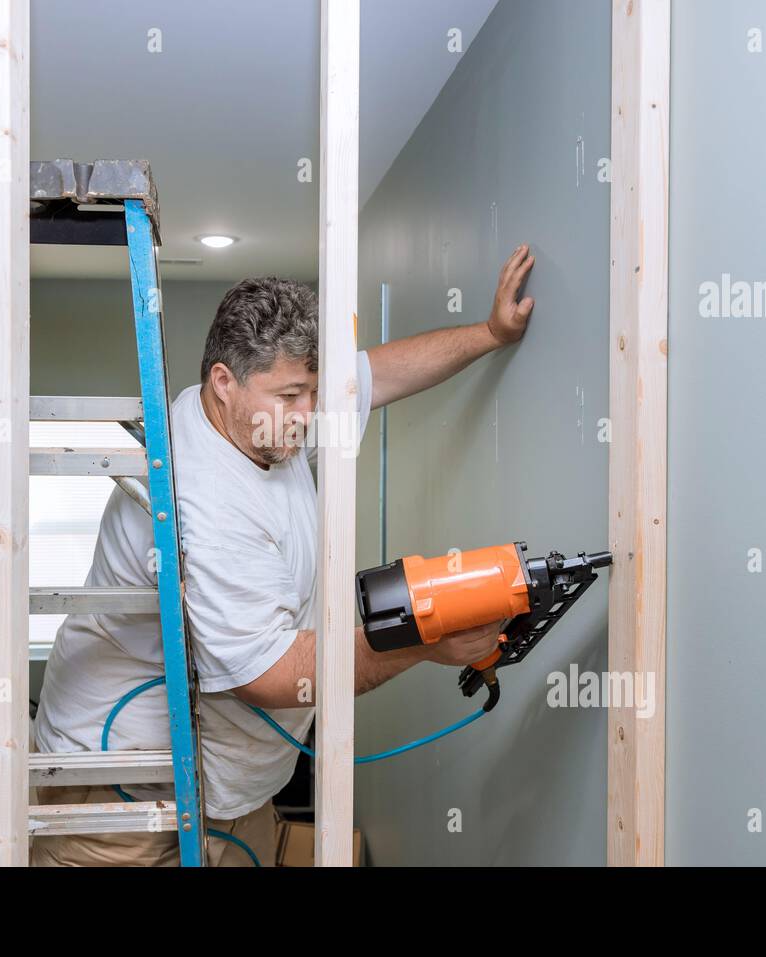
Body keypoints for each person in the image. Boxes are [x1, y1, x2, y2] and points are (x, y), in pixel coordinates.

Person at [31, 245, 537, 866]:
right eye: (292, 396)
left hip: (224, 777)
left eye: (314, 393)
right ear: (223, 380)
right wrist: (426, 643)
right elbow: (268, 675)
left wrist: (489, 332)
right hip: (124, 786)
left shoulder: (263, 410)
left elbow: (379, 373)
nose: (309, 415)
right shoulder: (200, 498)